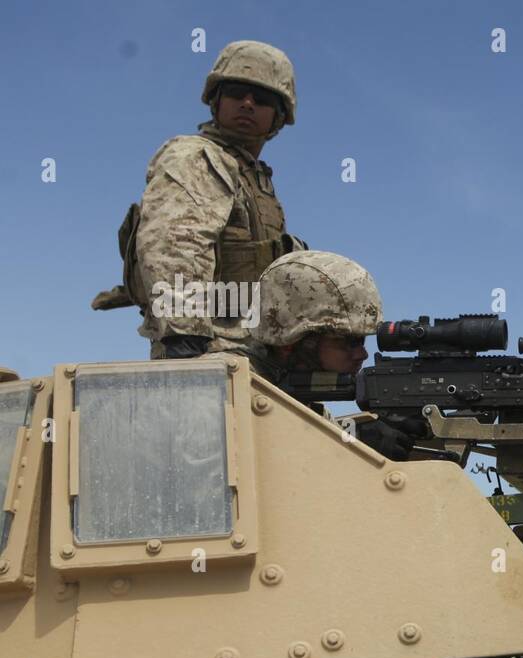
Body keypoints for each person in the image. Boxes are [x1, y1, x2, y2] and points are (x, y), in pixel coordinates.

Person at [92, 40, 304, 360]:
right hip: (213, 348)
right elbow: (174, 240)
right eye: (235, 92)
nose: (247, 103)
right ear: (216, 101)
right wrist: (185, 334)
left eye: (262, 98)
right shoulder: (198, 155)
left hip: (253, 345)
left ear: (279, 115)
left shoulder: (252, 176)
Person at [251, 250, 418, 459]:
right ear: (293, 341)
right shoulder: (224, 389)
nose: (362, 354)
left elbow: (314, 434)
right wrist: (348, 445)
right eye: (348, 341)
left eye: (362, 340)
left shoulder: (295, 394)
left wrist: (355, 438)